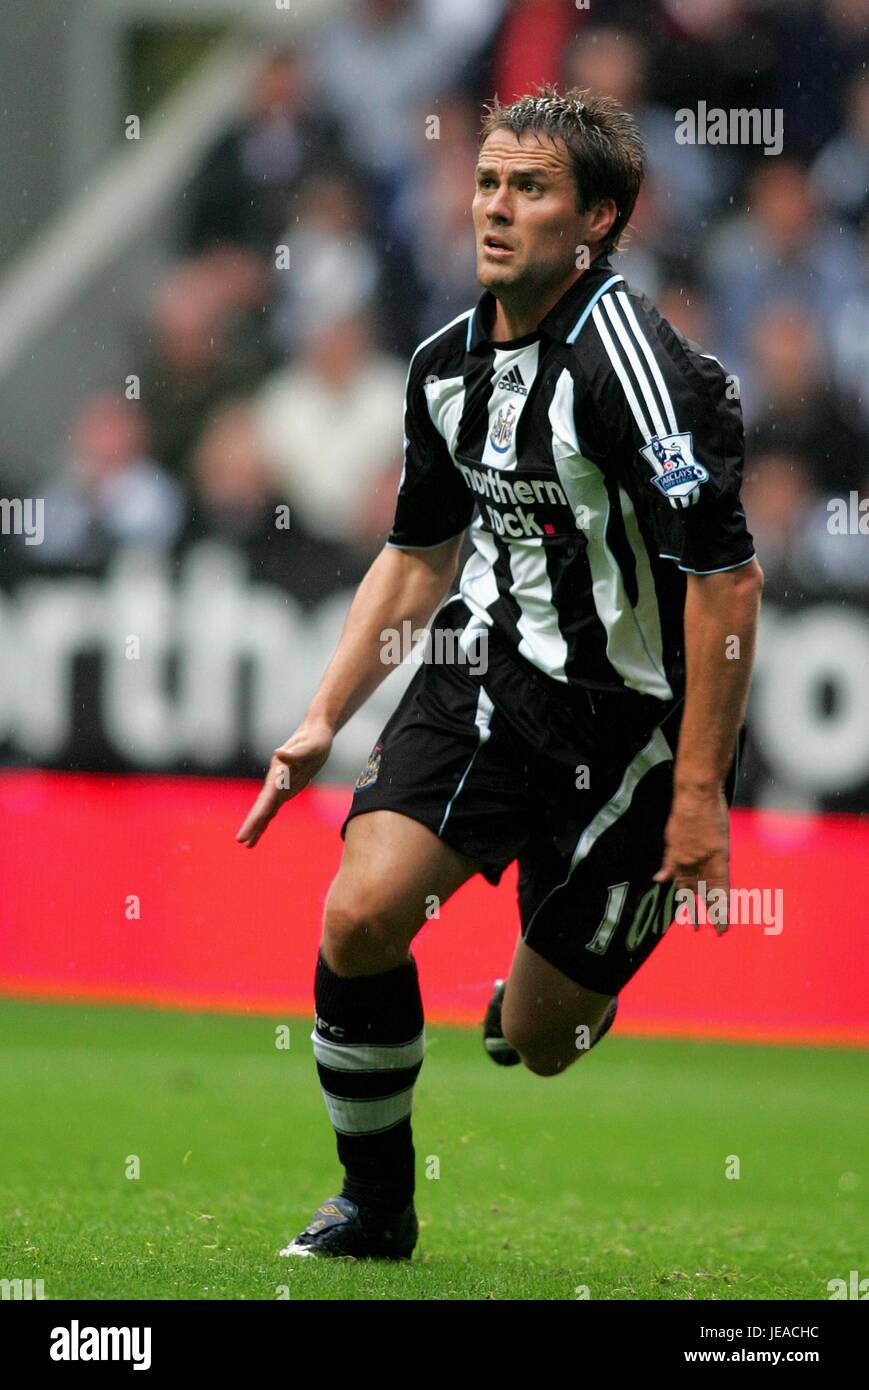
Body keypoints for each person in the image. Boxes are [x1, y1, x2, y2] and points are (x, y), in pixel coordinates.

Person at [236, 84, 763, 1261]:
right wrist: (322, 716)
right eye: (486, 182)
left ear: (597, 220)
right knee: (360, 917)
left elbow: (727, 583)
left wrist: (696, 791)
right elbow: (418, 555)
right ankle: (373, 1207)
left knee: (543, 1040)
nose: (494, 207)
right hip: (487, 677)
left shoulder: (638, 372)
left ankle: (552, 989)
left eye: (529, 189)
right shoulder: (441, 364)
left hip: (632, 730)